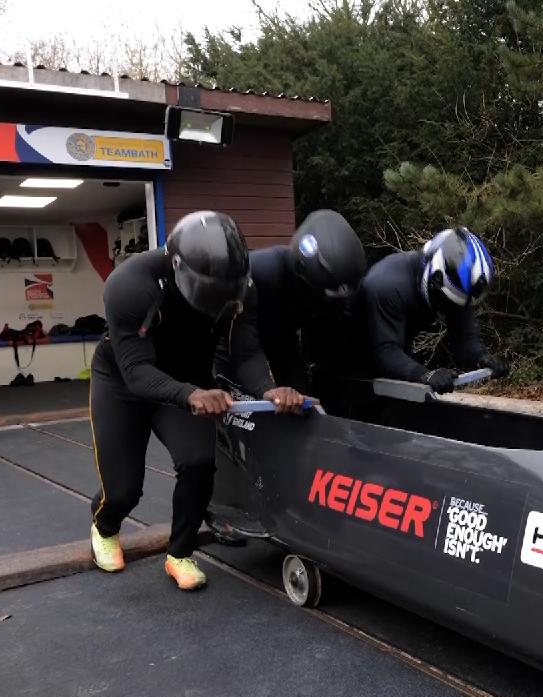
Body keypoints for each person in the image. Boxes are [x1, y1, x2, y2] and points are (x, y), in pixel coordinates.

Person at [88, 211, 304, 591]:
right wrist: (190, 394)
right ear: (176, 267)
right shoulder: (130, 284)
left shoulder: (242, 286)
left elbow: (245, 351)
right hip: (124, 381)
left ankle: (180, 553)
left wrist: (268, 388)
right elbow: (137, 371)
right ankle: (105, 526)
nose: (218, 300)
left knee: (199, 461)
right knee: (124, 489)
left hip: (189, 378)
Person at [359, 227, 509, 392]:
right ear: (433, 280)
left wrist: (483, 359)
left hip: (394, 351)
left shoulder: (453, 287)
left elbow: (464, 340)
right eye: (447, 301)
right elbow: (384, 350)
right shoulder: (386, 286)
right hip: (353, 358)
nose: (450, 309)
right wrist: (424, 375)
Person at [246, 209, 368, 393]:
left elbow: (330, 343)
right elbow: (237, 340)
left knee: (299, 398)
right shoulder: (263, 272)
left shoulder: (334, 296)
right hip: (240, 342)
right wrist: (265, 387)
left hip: (283, 343)